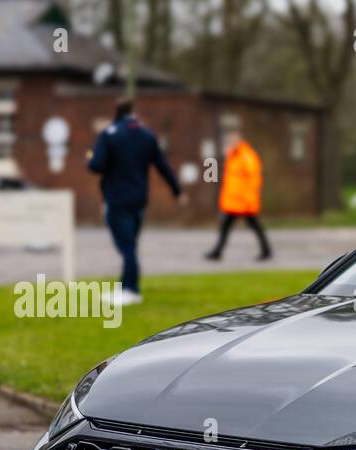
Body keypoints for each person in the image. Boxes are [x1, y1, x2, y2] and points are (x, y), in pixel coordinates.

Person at [87, 99, 183, 306]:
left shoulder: (109, 134)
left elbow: (97, 165)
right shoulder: (147, 136)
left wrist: (90, 157)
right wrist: (177, 191)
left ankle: (131, 290)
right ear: (134, 113)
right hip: (139, 198)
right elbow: (163, 166)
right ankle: (125, 286)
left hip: (117, 197)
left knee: (126, 244)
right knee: (130, 243)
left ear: (117, 112)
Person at [205, 130, 271, 261]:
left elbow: (254, 179)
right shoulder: (232, 156)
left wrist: (249, 199)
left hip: (243, 202)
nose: (231, 143)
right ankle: (218, 251)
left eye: (233, 140)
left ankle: (266, 250)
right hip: (234, 202)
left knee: (254, 226)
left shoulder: (246, 156)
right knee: (226, 227)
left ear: (239, 140)